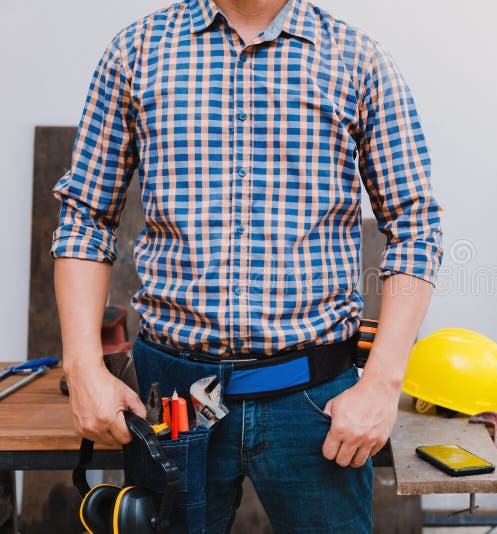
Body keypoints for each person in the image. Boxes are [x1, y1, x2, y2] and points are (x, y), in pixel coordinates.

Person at [51, 0, 442, 531]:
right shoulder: (136, 52)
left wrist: (381, 386)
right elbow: (85, 219)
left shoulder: (358, 61)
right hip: (170, 401)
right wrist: (83, 366)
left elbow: (416, 227)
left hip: (315, 406)